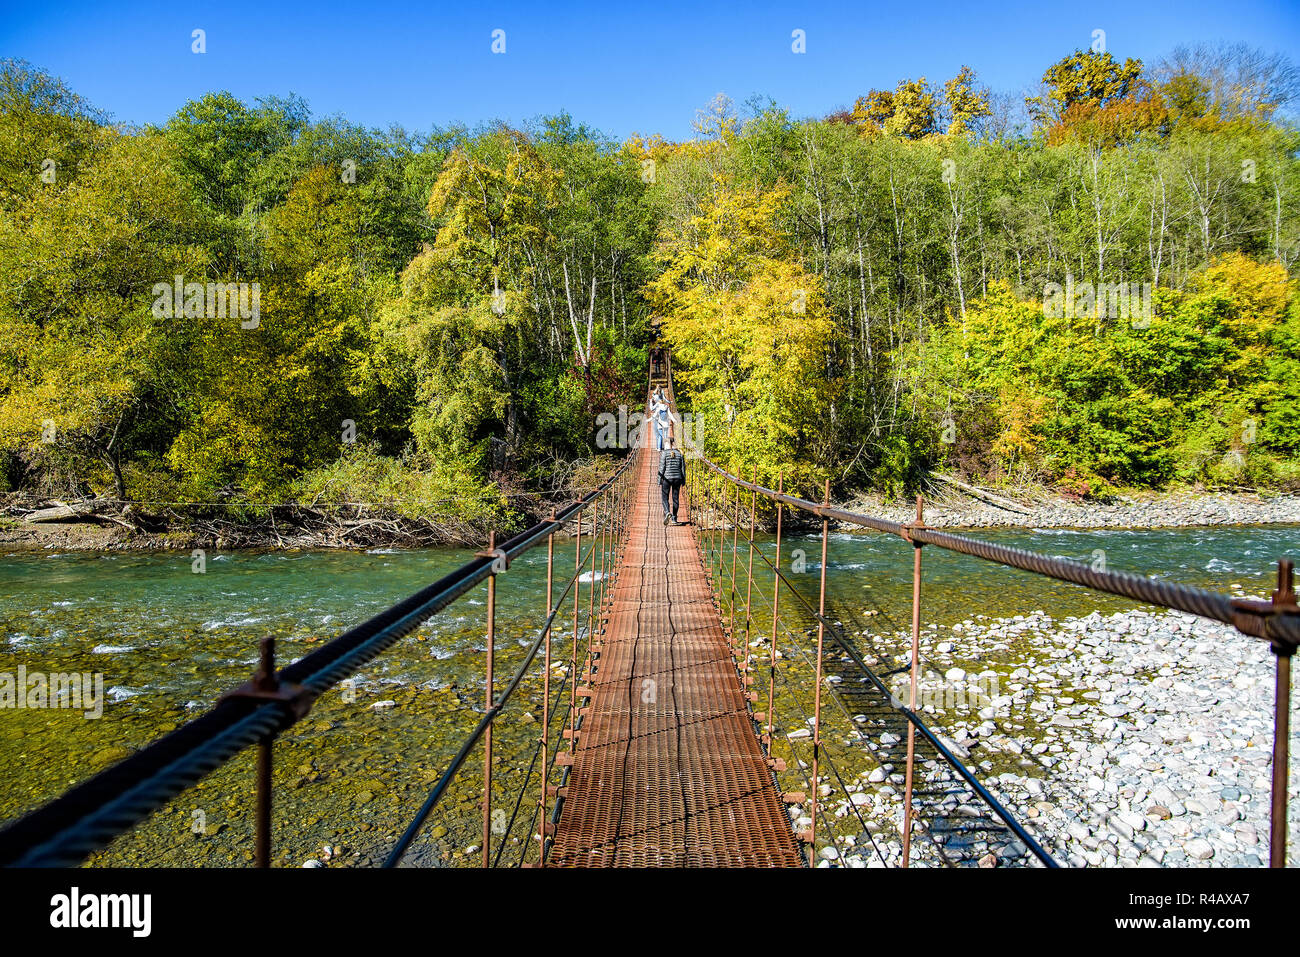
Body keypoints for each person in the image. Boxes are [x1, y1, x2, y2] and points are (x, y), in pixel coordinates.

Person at [658, 434, 686, 525]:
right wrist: (683, 480)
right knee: (675, 499)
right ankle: (674, 519)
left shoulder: (664, 453)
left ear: (667, 444)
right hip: (677, 478)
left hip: (667, 478)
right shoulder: (680, 453)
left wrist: (659, 479)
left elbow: (662, 468)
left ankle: (667, 512)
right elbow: (683, 468)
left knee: (664, 497)